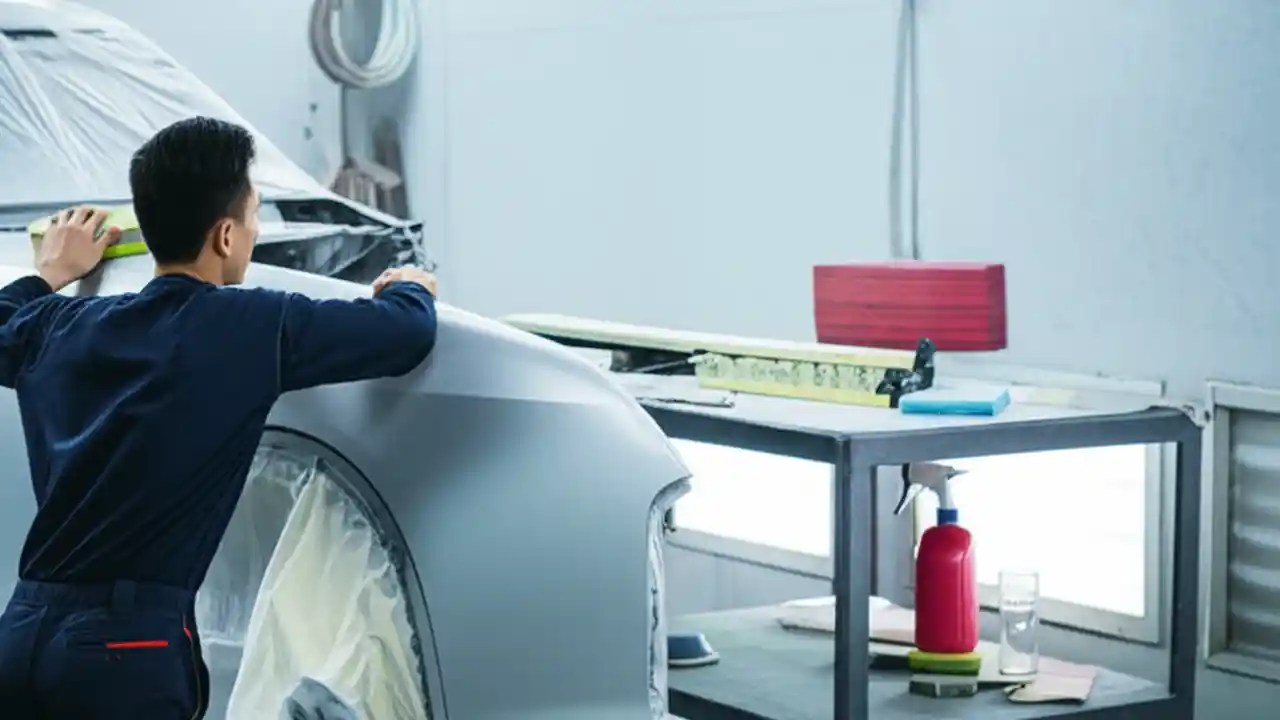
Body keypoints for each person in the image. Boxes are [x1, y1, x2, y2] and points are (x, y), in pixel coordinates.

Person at [0, 116, 439, 719]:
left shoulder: (58, 325)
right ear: (227, 236)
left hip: (21, 633)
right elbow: (405, 335)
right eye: (255, 217)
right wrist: (410, 284)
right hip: (123, 653)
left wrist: (50, 272)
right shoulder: (243, 326)